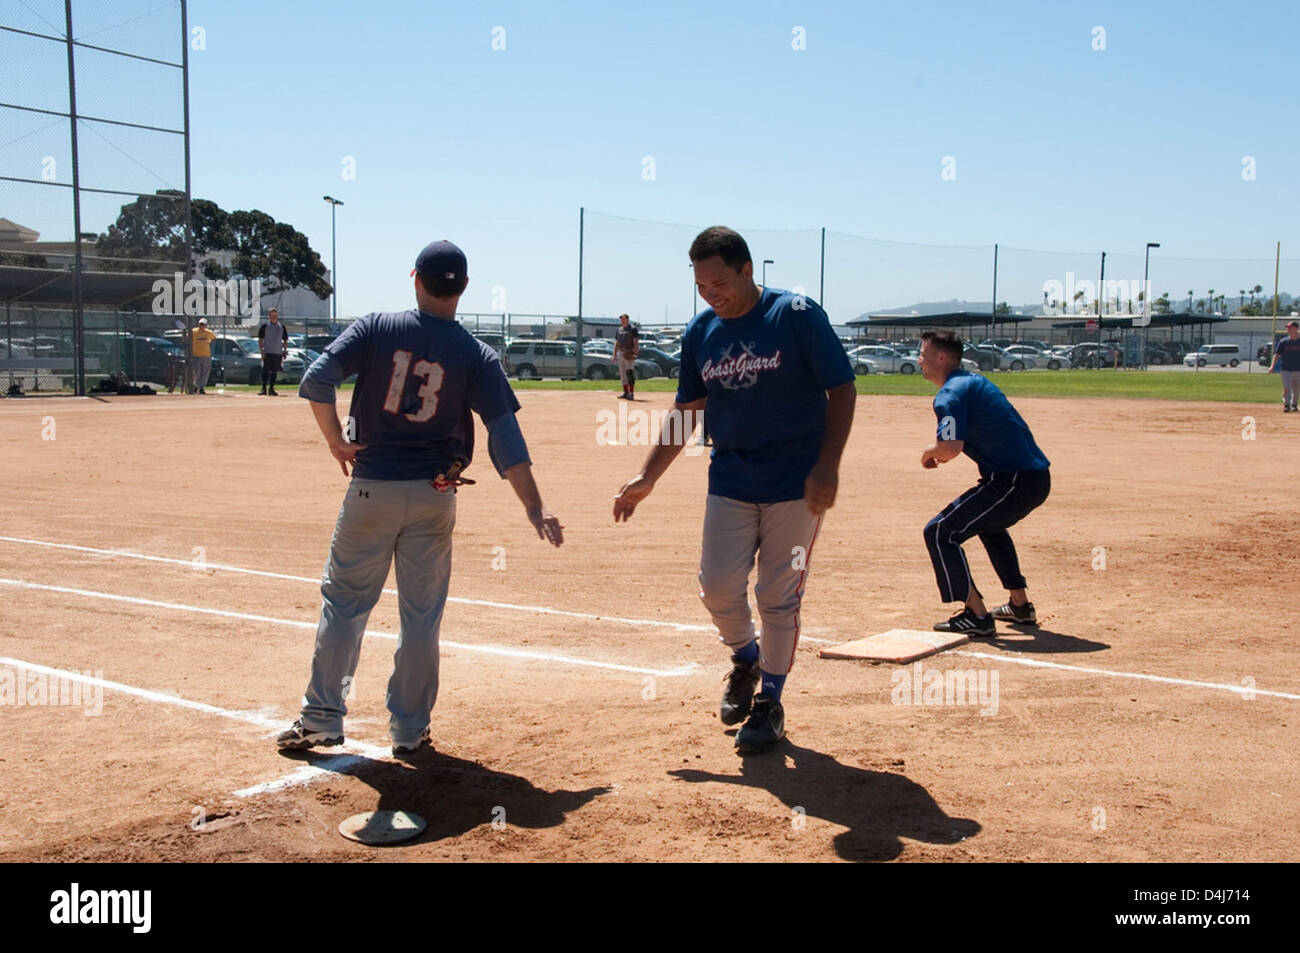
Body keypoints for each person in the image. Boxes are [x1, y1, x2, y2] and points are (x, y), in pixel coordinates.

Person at [276, 240, 564, 755]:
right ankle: (409, 730)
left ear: (415, 278)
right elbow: (505, 436)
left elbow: (317, 381)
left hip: (372, 487)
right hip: (435, 494)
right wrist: (534, 506)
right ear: (465, 288)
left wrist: (336, 443)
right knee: (421, 616)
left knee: (345, 606)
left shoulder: (375, 327)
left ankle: (322, 717)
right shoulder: (477, 355)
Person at [613, 226, 856, 753]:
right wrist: (647, 475)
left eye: (720, 282)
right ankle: (745, 659)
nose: (712, 294)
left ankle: (770, 701)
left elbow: (842, 387)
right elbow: (688, 411)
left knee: (777, 594)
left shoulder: (795, 315)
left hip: (797, 480)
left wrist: (829, 465)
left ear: (748, 270)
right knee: (717, 587)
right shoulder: (702, 331)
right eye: (702, 286)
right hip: (730, 476)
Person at [918, 330, 1051, 636]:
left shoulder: (950, 394)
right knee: (989, 525)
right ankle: (1020, 606)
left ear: (941, 358)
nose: (919, 360)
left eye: (923, 355)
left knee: (939, 532)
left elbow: (949, 448)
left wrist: (929, 453)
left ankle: (976, 615)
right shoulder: (973, 381)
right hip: (1031, 478)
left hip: (1013, 482)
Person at [1264, 320, 1300, 412]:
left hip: (1298, 369)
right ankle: (1287, 404)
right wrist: (1272, 366)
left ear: (1296, 329)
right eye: (1288, 328)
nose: (1288, 330)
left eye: (1290, 328)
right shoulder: (1284, 342)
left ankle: (1294, 405)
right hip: (1286, 368)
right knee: (1287, 387)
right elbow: (1276, 355)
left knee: (1296, 389)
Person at [258, 308, 289, 395]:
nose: (274, 317)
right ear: (269, 316)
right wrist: (262, 352)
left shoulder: (282, 327)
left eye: (275, 315)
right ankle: (263, 389)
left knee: (274, 371)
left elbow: (285, 340)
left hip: (277, 352)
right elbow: (260, 340)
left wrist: (285, 351)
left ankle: (271, 388)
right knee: (265, 371)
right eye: (272, 315)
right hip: (267, 351)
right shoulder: (265, 326)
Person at [614, 313, 639, 399]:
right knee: (622, 374)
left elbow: (635, 341)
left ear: (627, 319)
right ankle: (625, 392)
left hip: (629, 352)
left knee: (629, 372)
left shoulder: (632, 329)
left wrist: (635, 352)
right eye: (621, 319)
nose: (622, 320)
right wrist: (614, 354)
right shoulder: (619, 329)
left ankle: (631, 393)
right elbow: (617, 343)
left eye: (623, 319)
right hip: (621, 352)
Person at [191, 318, 215, 394]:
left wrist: (210, 343)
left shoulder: (209, 332)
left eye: (203, 324)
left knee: (205, 372)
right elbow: (187, 337)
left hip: (206, 355)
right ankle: (195, 386)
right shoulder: (194, 331)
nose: (202, 326)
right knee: (196, 372)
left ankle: (201, 387)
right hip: (196, 355)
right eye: (200, 324)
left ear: (206, 325)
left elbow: (214, 338)